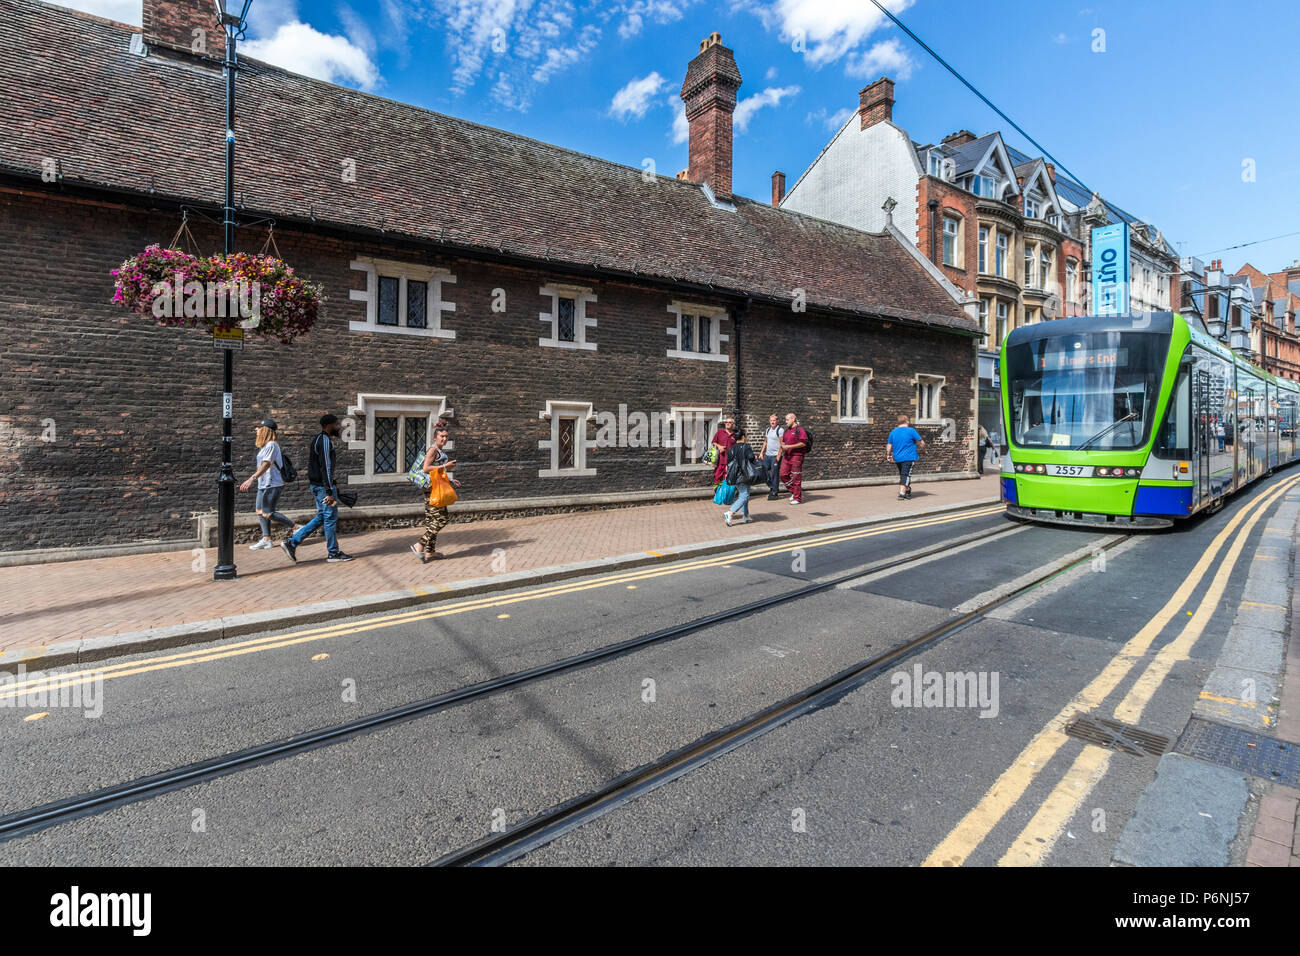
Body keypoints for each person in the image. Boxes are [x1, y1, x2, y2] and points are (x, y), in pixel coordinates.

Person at [281, 413, 353, 564]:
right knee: (330, 519)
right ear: (329, 425)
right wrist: (329, 490)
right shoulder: (325, 440)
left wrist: (332, 482)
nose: (338, 427)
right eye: (336, 424)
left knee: (322, 517)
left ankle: (292, 542)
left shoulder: (318, 439)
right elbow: (325, 466)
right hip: (323, 488)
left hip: (319, 486)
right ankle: (333, 553)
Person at [239, 418, 295, 549]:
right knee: (259, 510)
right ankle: (267, 539)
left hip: (273, 483)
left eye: (259, 427)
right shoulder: (265, 446)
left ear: (266, 430)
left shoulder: (272, 445)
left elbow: (266, 464)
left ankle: (296, 527)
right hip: (263, 483)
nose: (256, 429)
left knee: (268, 513)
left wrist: (251, 478)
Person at [412, 424, 461, 562]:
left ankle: (430, 552)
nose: (444, 439)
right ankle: (419, 545)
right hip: (433, 491)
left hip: (434, 488)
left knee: (431, 521)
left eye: (446, 436)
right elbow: (426, 468)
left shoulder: (438, 450)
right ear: (435, 437)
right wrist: (446, 465)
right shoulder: (433, 450)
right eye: (442, 436)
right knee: (442, 519)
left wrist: (451, 480)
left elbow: (438, 472)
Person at [723, 428, 757, 526]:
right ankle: (730, 513)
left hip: (734, 475)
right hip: (744, 474)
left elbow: (728, 463)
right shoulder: (746, 447)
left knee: (744, 494)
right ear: (743, 437)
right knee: (744, 496)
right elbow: (751, 458)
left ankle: (745, 516)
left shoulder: (732, 449)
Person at [887, 413, 925, 500]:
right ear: (907, 421)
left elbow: (889, 445)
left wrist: (888, 455)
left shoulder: (893, 432)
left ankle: (905, 490)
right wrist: (924, 451)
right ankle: (903, 492)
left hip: (897, 457)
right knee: (905, 474)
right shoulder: (911, 430)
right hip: (909, 457)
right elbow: (921, 443)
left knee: (903, 474)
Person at [778, 413, 809, 505]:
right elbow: (784, 442)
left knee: (796, 477)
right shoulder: (787, 431)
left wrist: (789, 446)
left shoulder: (800, 430)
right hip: (787, 456)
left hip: (797, 456)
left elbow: (803, 443)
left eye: (787, 420)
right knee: (783, 475)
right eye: (786, 419)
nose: (786, 421)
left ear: (793, 419)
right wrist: (782, 447)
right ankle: (794, 492)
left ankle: (797, 498)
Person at [711, 415, 737, 489]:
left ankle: (727, 495)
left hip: (730, 461)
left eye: (730, 422)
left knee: (729, 479)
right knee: (717, 477)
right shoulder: (720, 432)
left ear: (733, 424)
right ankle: (717, 495)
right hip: (720, 460)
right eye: (726, 422)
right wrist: (719, 446)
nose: (727, 423)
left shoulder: (735, 435)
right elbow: (713, 442)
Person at [761, 413, 784, 500]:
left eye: (774, 420)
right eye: (771, 420)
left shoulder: (780, 430)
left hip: (775, 456)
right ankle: (772, 486)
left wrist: (778, 455)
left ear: (777, 421)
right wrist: (761, 453)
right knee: (764, 472)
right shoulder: (768, 430)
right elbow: (765, 442)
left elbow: (782, 444)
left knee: (774, 474)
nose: (772, 422)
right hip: (767, 455)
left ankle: (774, 492)